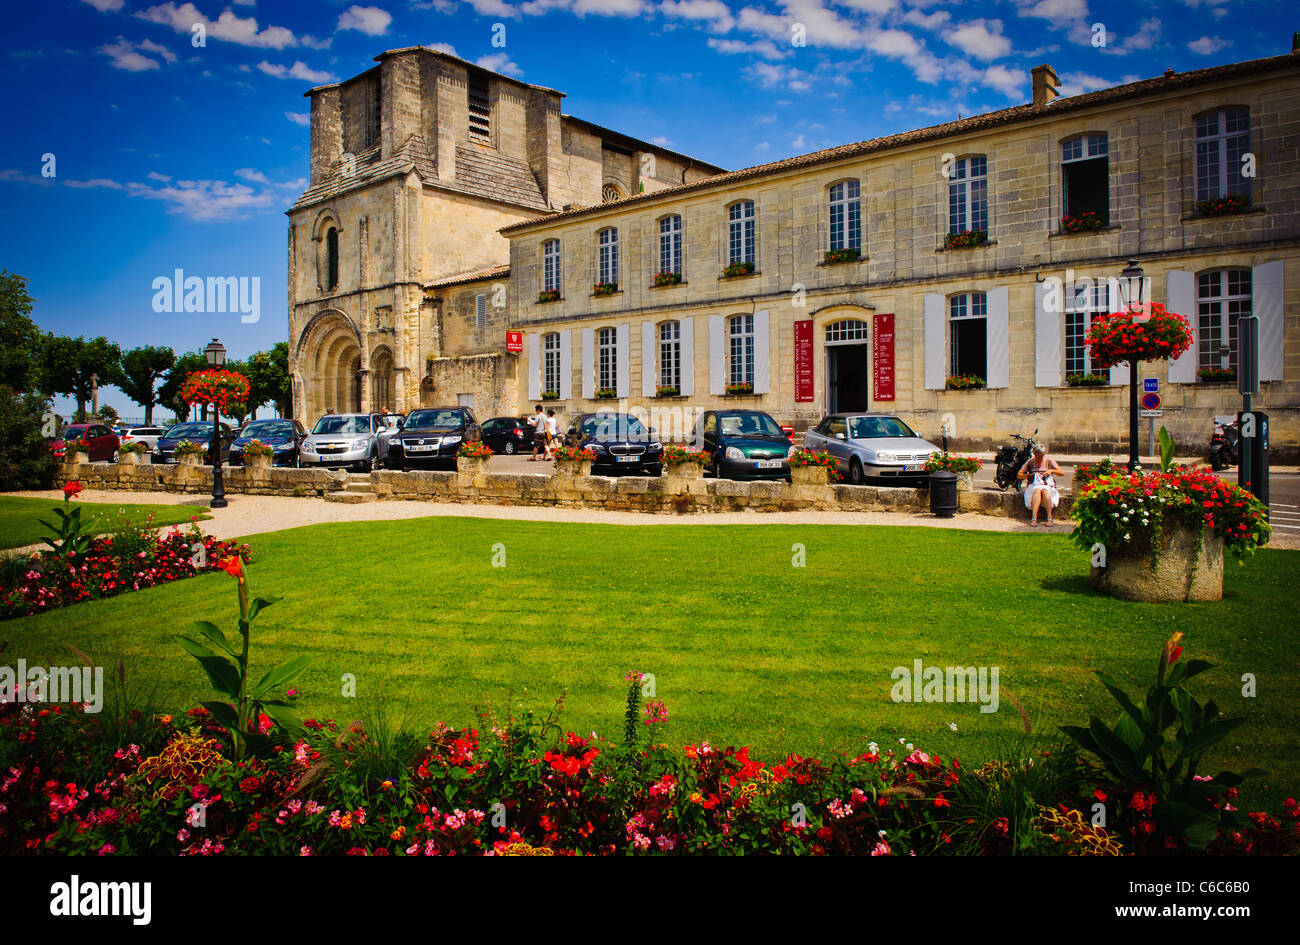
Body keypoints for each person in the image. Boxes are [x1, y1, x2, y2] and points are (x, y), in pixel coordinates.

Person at [1019, 444, 1064, 526]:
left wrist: (1051, 471)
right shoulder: (1030, 462)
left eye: (1041, 456)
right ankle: (1034, 518)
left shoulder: (1049, 461)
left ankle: (1050, 518)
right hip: (1033, 486)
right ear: (1034, 454)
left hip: (1047, 485)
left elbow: (1061, 472)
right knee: (1037, 491)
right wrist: (1027, 476)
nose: (1039, 458)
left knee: (1045, 491)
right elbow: (1019, 474)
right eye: (1038, 456)